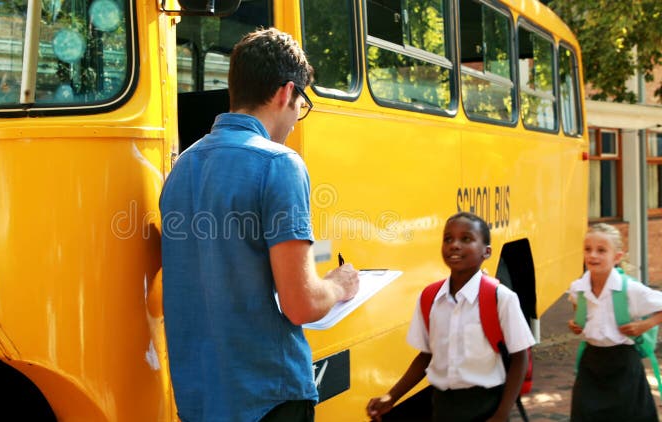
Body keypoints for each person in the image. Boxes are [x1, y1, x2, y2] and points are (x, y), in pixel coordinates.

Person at [159, 28, 359, 422]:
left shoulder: (181, 168)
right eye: (300, 106)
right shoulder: (279, 164)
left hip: (199, 400)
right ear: (286, 93)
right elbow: (300, 304)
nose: (296, 121)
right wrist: (339, 284)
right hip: (268, 397)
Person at [366, 212, 535, 422]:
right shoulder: (430, 298)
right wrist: (391, 397)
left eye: (466, 239)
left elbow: (520, 357)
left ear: (487, 252)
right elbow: (425, 356)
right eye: (448, 239)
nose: (454, 245)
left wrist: (502, 413)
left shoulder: (501, 298)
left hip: (485, 405)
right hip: (443, 407)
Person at [566, 223, 662, 421]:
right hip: (591, 366)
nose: (593, 255)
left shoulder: (630, 290)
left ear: (617, 257)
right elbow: (579, 310)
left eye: (601, 250)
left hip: (624, 366)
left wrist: (645, 325)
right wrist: (577, 323)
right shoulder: (578, 289)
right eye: (588, 249)